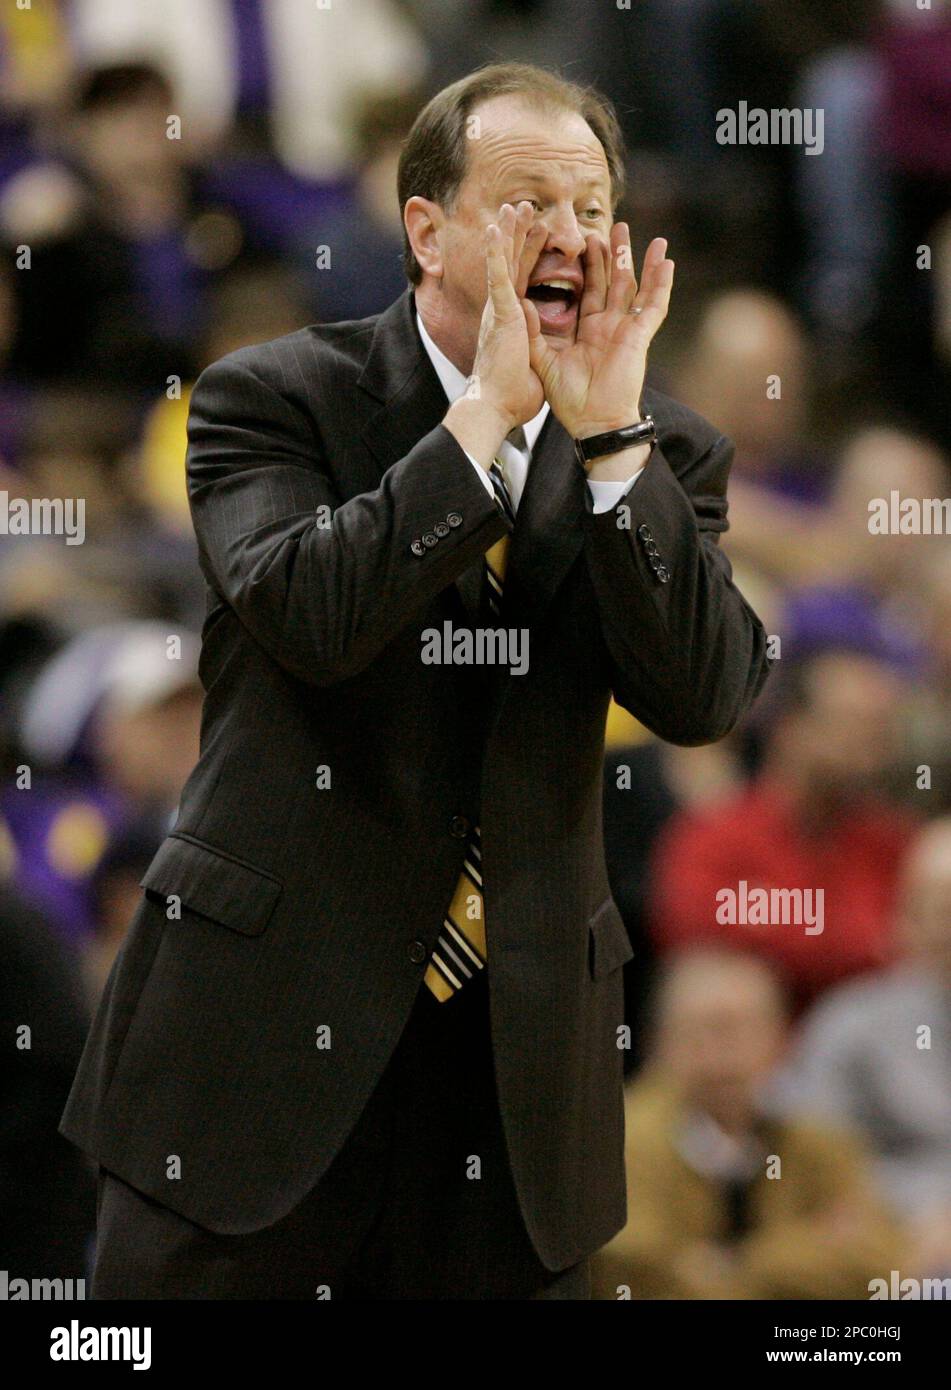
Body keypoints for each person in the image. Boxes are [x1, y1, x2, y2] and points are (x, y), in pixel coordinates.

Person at [60, 62, 771, 1300]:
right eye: (526, 203)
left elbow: (706, 696)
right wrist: (479, 426)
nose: (569, 236)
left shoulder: (658, 451)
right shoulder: (272, 397)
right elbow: (316, 616)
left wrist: (608, 449)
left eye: (593, 209)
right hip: (258, 1056)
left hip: (515, 1081)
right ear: (426, 229)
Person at [592, 949, 904, 1300]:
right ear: (661, 1041)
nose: (722, 1052)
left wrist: (731, 1263)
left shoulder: (817, 1140)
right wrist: (807, 1249)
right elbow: (631, 1265)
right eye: (703, 1030)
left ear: (782, 1040)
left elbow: (882, 1263)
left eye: (740, 1028)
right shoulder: (620, 1139)